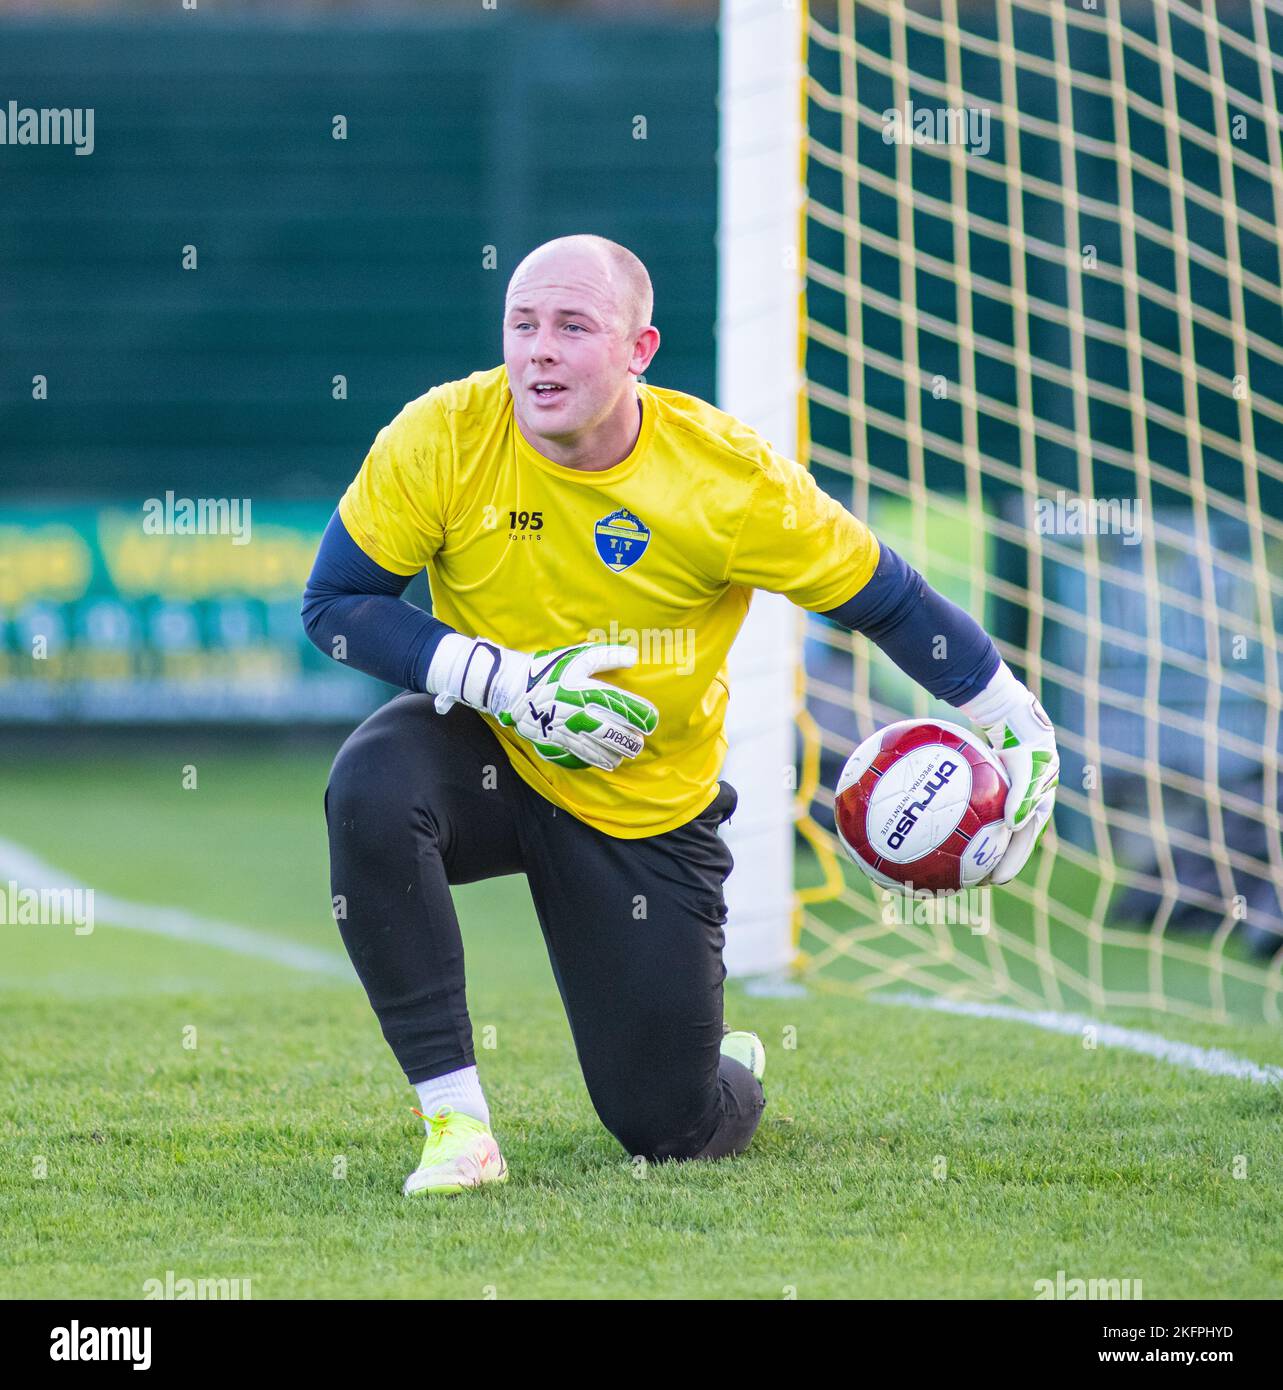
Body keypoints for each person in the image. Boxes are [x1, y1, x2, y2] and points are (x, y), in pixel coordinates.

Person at [301, 234, 1059, 1196]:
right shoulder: (443, 434)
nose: (539, 350)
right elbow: (336, 605)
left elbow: (888, 600)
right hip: (491, 752)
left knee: (669, 1128)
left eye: (573, 326)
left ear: (639, 350)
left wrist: (1013, 719)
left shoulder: (724, 476)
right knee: (372, 784)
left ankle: (722, 1064)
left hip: (643, 807)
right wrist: (507, 684)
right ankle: (458, 1126)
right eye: (521, 324)